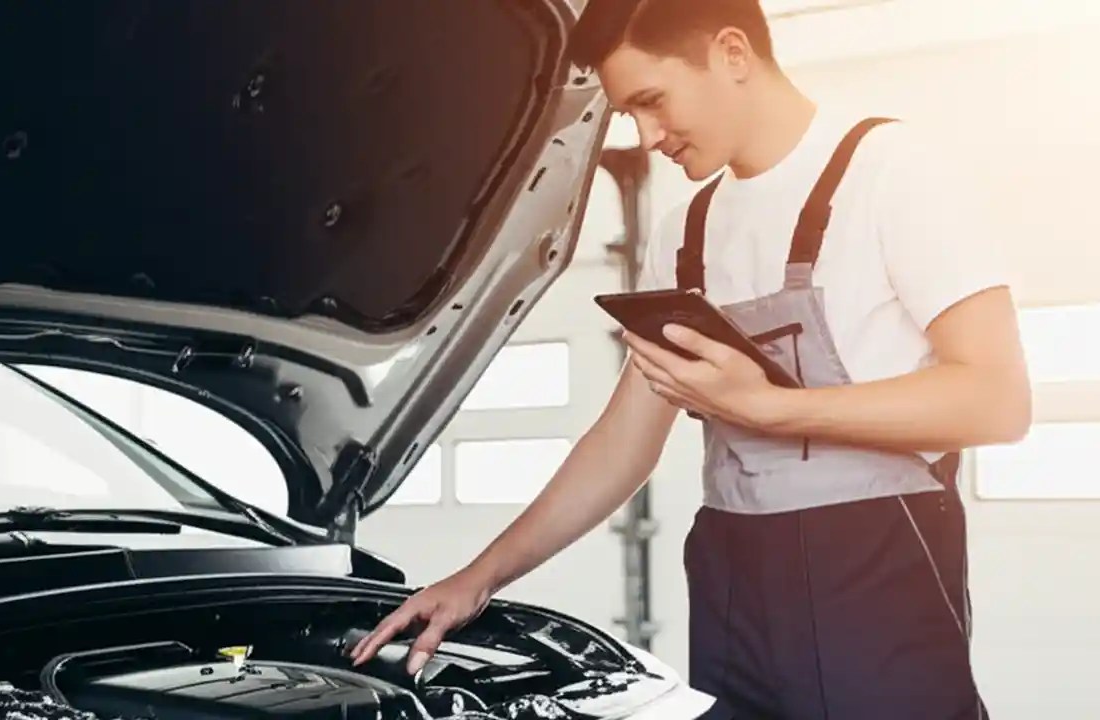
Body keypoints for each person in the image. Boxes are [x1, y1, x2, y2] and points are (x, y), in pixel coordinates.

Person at [351, 0, 1031, 717]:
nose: (646, 138)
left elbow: (996, 399)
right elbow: (624, 442)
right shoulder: (686, 233)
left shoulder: (892, 173)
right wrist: (479, 578)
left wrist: (769, 406)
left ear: (732, 54)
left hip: (874, 575)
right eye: (627, 115)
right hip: (734, 585)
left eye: (652, 101)